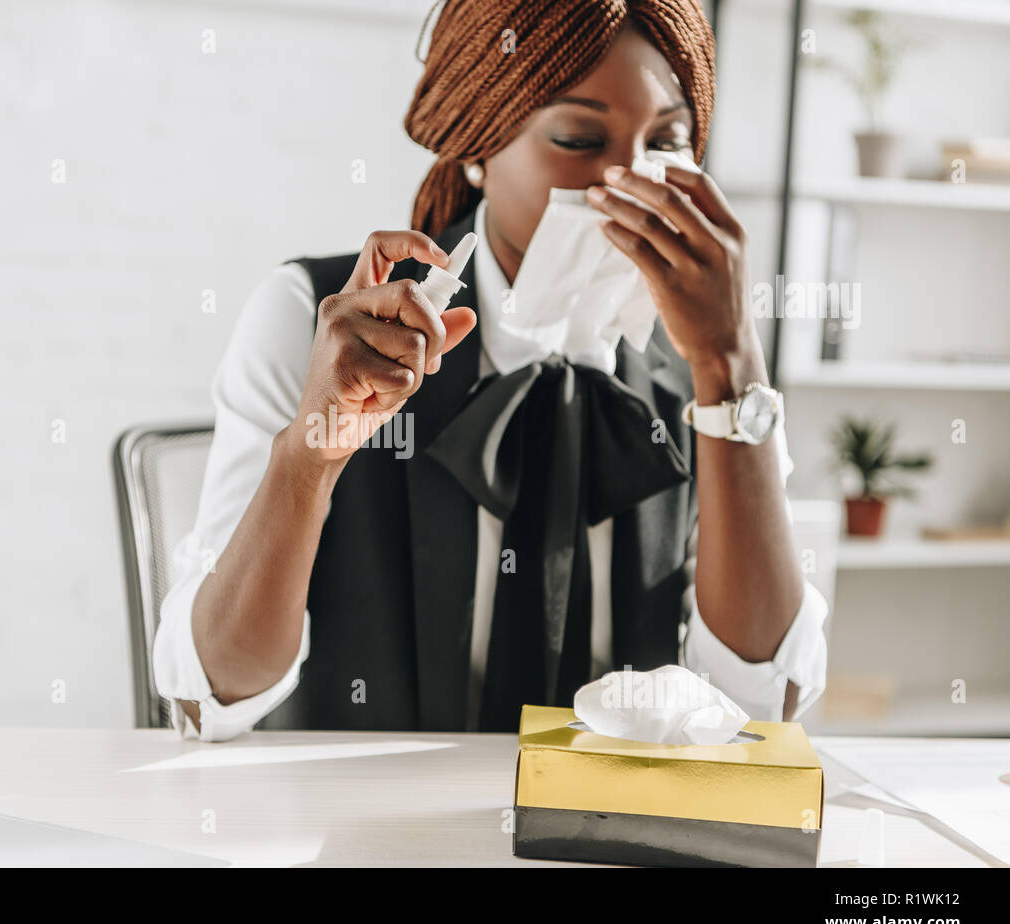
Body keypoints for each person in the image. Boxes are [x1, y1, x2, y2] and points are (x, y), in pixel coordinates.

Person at [153, 0, 828, 741]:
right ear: (478, 144)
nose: (631, 183)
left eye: (666, 142)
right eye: (578, 137)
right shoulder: (314, 318)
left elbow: (764, 701)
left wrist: (730, 370)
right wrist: (312, 457)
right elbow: (211, 694)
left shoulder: (708, 366)